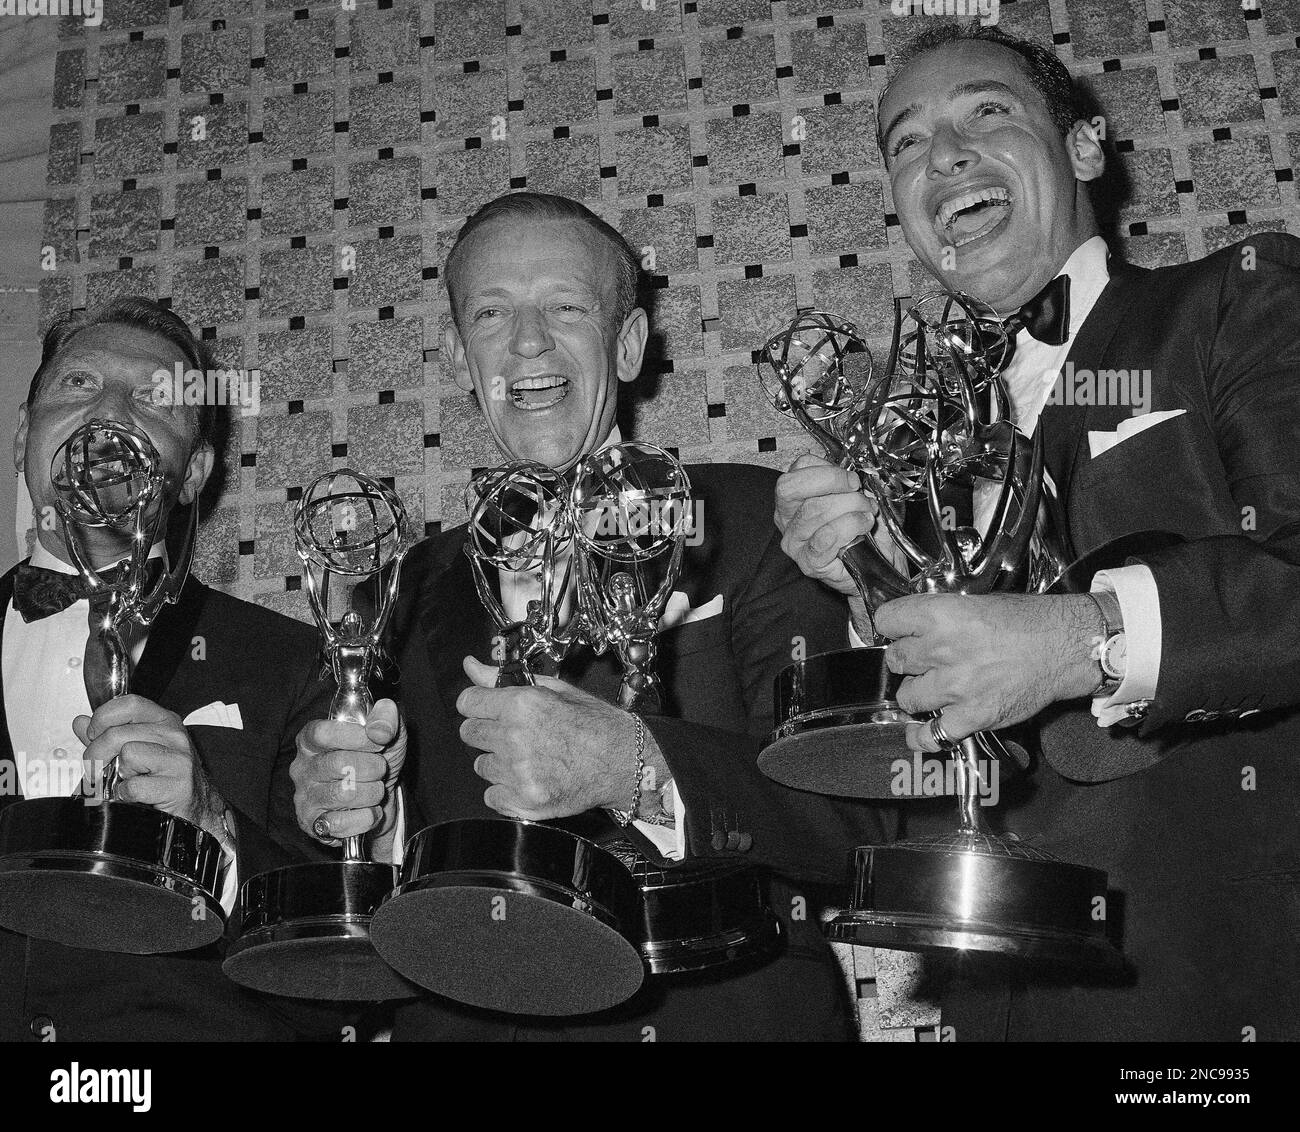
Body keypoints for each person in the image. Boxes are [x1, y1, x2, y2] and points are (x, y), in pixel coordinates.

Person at [776, 24, 1300, 1041]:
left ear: (1086, 148)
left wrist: (1077, 639)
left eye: (986, 114)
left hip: (1230, 970)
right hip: (1002, 996)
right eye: (907, 142)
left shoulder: (1232, 300)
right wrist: (872, 580)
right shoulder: (908, 425)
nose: (946, 157)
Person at [293, 191, 895, 1040]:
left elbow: (853, 824)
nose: (527, 341)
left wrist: (637, 768)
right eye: (492, 313)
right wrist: (370, 813)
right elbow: (396, 874)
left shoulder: (753, 520)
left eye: (564, 307)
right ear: (467, 359)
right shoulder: (399, 586)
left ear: (629, 344)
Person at [0, 297, 378, 1041]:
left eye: (151, 399)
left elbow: (348, 971)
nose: (109, 413)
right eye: (78, 385)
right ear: (23, 438)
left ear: (192, 472)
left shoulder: (298, 664)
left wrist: (211, 831)